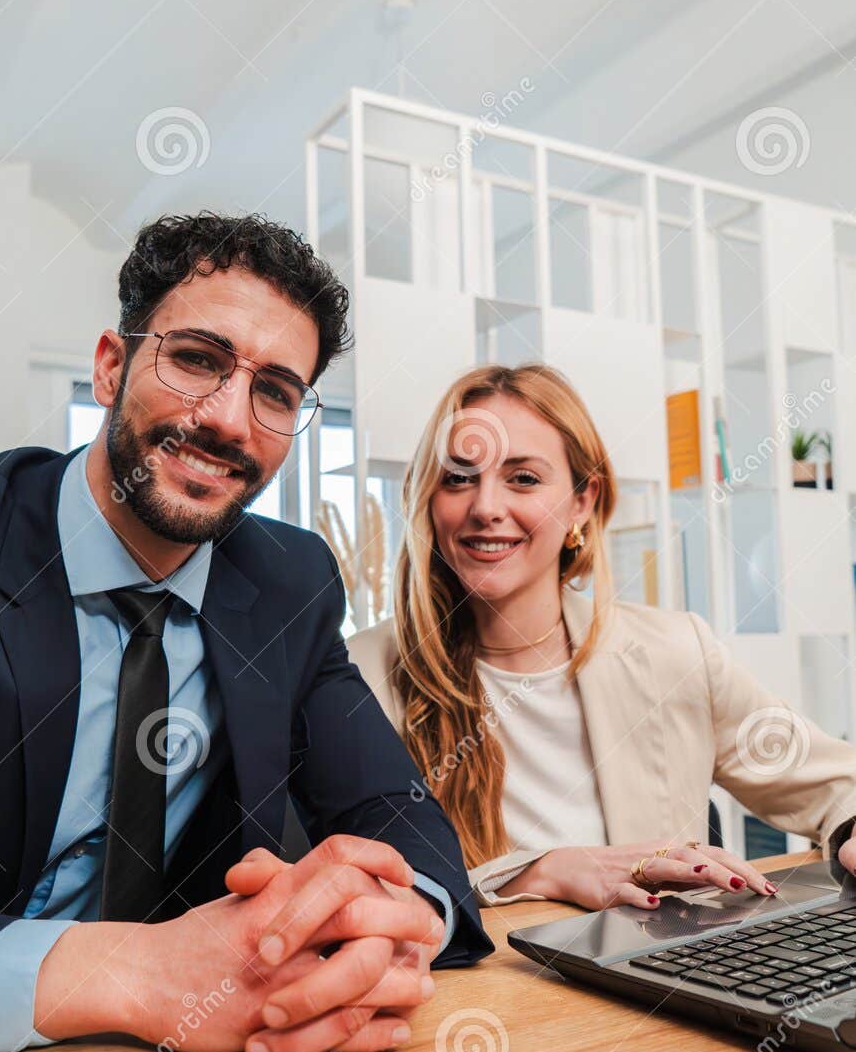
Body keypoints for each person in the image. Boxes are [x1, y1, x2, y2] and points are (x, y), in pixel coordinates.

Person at [0, 213, 492, 1052]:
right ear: (111, 366)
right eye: (198, 358)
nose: (230, 419)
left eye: (276, 391)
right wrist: (132, 971)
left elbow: (394, 812)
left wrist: (395, 923)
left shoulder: (289, 582)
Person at [350, 363, 856, 913]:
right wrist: (539, 873)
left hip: (657, 987)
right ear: (428, 497)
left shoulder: (676, 652)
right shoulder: (359, 674)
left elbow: (832, 783)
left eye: (523, 478)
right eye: (458, 477)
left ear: (582, 501)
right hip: (471, 993)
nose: (486, 508)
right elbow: (366, 888)